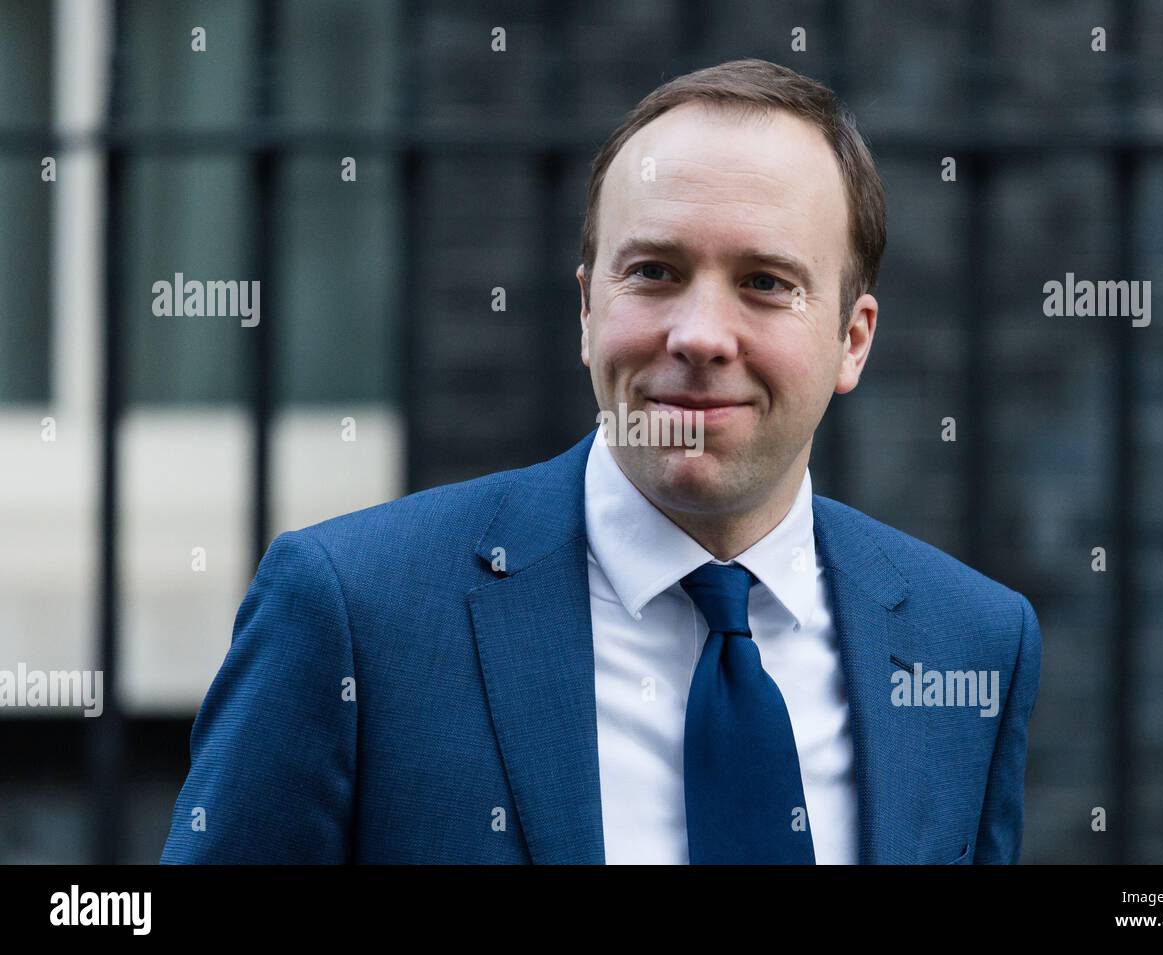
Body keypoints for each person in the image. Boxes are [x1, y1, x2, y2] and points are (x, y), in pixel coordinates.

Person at [161, 58, 1041, 865]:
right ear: (586, 309)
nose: (699, 335)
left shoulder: (970, 642)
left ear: (853, 340)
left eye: (766, 282)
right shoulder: (355, 610)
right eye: (654, 271)